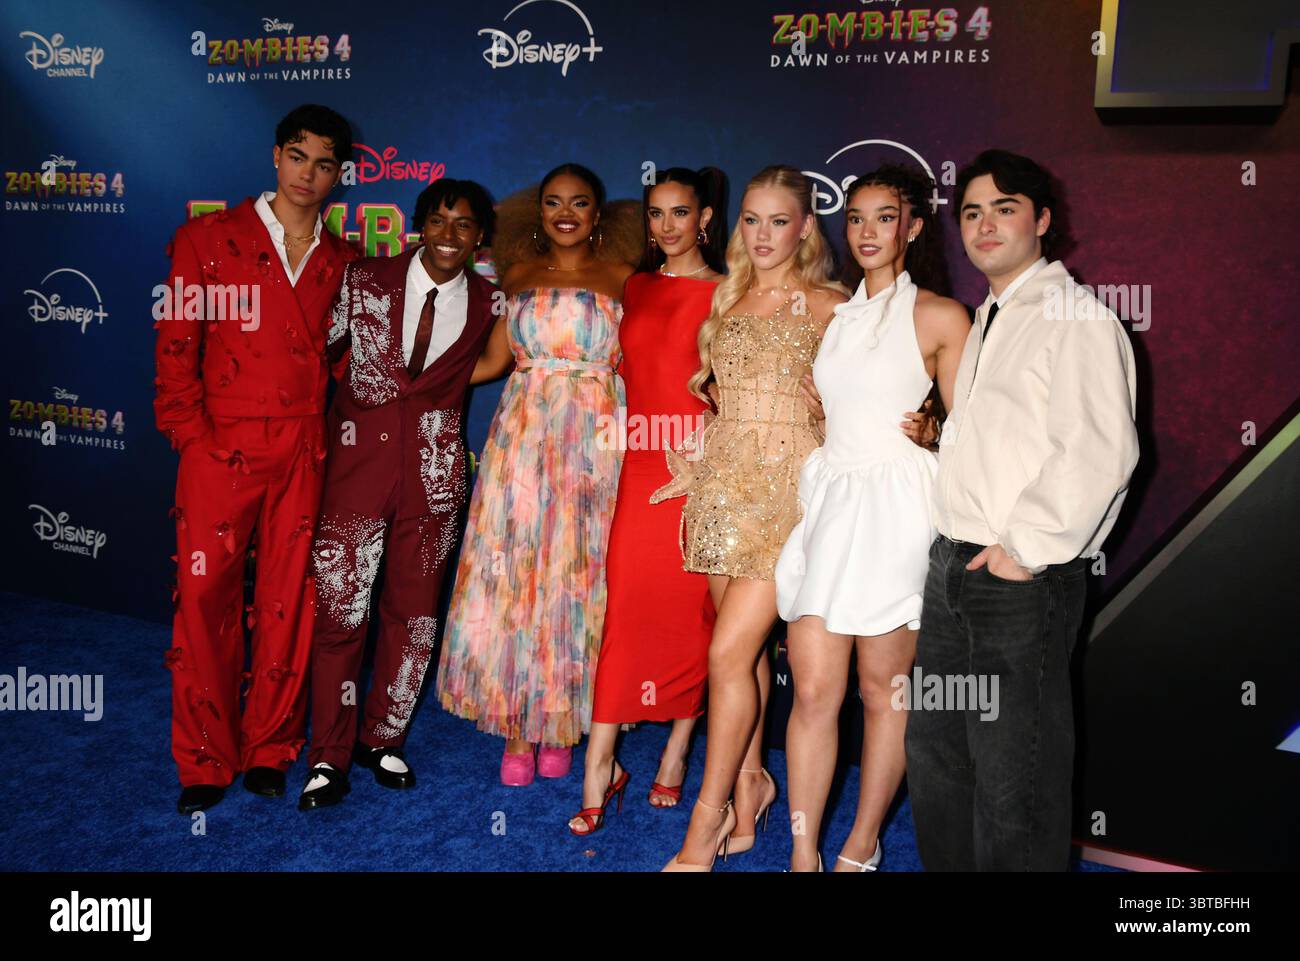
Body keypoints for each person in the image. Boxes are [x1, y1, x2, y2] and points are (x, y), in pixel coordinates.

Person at [904, 149, 1139, 871]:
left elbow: (1101, 450)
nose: (984, 224)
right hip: (953, 566)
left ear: (1042, 219)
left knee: (1016, 777)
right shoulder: (991, 317)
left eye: (1004, 208)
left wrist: (1025, 549)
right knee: (939, 754)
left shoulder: (1077, 318)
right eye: (971, 211)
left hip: (1016, 576)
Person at [154, 104, 358, 814]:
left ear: (340, 173)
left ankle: (270, 745)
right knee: (205, 599)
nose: (309, 174)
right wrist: (193, 437)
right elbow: (177, 346)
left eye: (324, 163)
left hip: (302, 446)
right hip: (220, 445)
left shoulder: (343, 260)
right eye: (298, 156)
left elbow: (341, 361)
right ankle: (206, 755)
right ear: (276, 157)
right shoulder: (207, 240)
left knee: (291, 599)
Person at [651, 165, 849, 870]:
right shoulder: (727, 300)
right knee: (750, 660)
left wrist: (829, 409)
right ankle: (752, 781)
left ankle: (704, 828)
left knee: (726, 656)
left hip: (792, 499)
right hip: (724, 493)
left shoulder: (833, 305)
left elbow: (861, 407)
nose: (763, 234)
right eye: (752, 220)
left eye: (779, 221)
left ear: (804, 228)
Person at [776, 165, 970, 871]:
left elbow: (974, 433)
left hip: (897, 514)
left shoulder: (942, 316)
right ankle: (803, 850)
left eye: (883, 217)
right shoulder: (835, 314)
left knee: (882, 693)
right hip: (831, 505)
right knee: (814, 691)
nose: (866, 232)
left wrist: (935, 434)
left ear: (913, 226)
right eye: (855, 217)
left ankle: (861, 842)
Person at [297, 179, 501, 809]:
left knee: (414, 618)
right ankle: (328, 756)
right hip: (356, 469)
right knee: (341, 616)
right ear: (418, 225)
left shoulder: (492, 302)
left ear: (479, 238)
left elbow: (490, 366)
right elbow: (313, 350)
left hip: (434, 480)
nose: (449, 235)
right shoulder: (362, 280)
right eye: (439, 221)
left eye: (464, 225)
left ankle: (383, 737)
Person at [436, 164, 638, 785]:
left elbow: (645, 359)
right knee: (518, 576)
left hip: (596, 445)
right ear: (539, 211)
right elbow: (495, 360)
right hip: (522, 442)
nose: (566, 213)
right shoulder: (517, 274)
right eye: (554, 202)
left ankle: (563, 722)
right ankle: (518, 731)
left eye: (580, 202)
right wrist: (413, 380)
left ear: (598, 213)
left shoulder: (627, 279)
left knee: (576, 580)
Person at [569, 167, 728, 835]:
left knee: (694, 611)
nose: (665, 226)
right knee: (626, 608)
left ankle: (675, 749)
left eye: (679, 213)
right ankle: (599, 765)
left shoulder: (728, 293)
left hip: (695, 467)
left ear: (706, 219)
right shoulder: (634, 285)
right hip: (634, 465)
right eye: (656, 213)